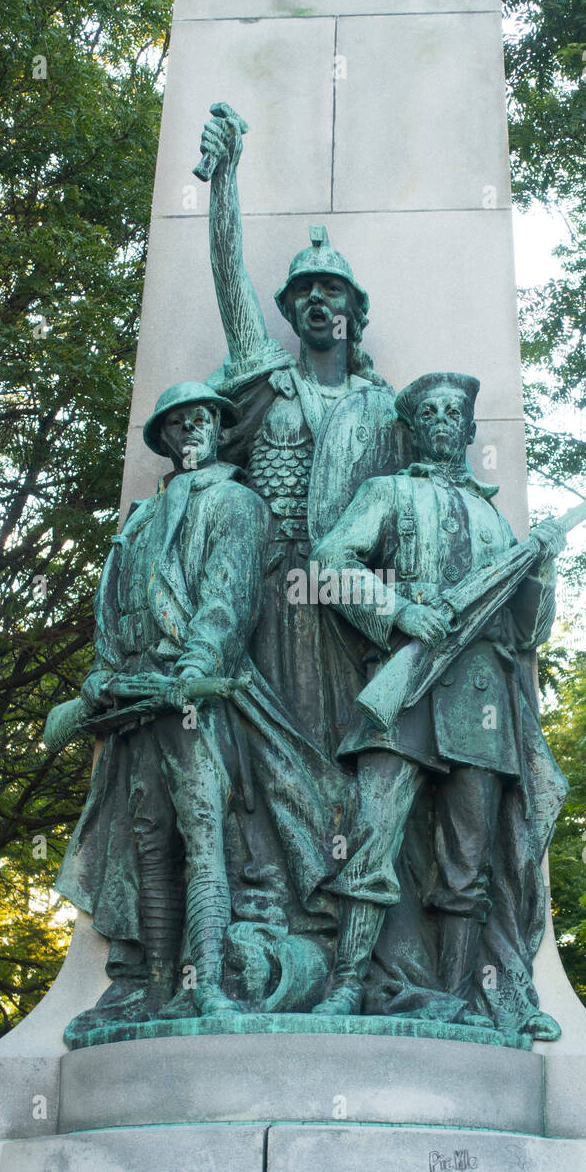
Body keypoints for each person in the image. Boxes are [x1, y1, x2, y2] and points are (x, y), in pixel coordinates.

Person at [309, 373, 568, 1039]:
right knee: (373, 834)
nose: (444, 419)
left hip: (481, 699)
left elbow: (529, 628)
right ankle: (346, 987)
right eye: (430, 411)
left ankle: (460, 1000)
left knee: (470, 861)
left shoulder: (492, 517)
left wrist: (540, 566)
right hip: (409, 683)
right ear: (415, 425)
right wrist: (398, 611)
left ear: (471, 427)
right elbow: (331, 561)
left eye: (456, 411)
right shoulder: (388, 492)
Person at [57, 381, 271, 1033]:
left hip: (191, 696)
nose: (188, 433)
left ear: (218, 427)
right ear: (165, 437)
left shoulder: (234, 501)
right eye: (176, 425)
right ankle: (153, 988)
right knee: (150, 844)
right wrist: (105, 676)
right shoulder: (140, 523)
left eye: (200, 420)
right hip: (135, 698)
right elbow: (112, 605)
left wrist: (197, 667)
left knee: (203, 836)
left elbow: (227, 596)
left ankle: (204, 985)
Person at [198, 104, 410, 757]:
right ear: (290, 309)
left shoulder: (385, 408)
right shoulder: (269, 383)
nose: (318, 299)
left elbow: (413, 512)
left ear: (353, 308)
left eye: (331, 289)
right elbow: (231, 281)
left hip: (353, 593)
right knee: (270, 747)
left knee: (347, 745)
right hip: (271, 581)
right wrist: (224, 180)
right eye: (306, 292)